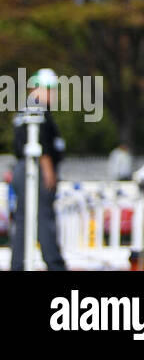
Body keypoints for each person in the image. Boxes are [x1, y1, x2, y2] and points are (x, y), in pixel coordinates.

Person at [9, 69, 67, 271]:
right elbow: (40, 143)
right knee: (44, 217)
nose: (53, 94)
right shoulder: (36, 109)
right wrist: (48, 170)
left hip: (25, 168)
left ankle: (18, 265)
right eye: (49, 89)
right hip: (35, 169)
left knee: (24, 218)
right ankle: (55, 264)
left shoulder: (26, 108)